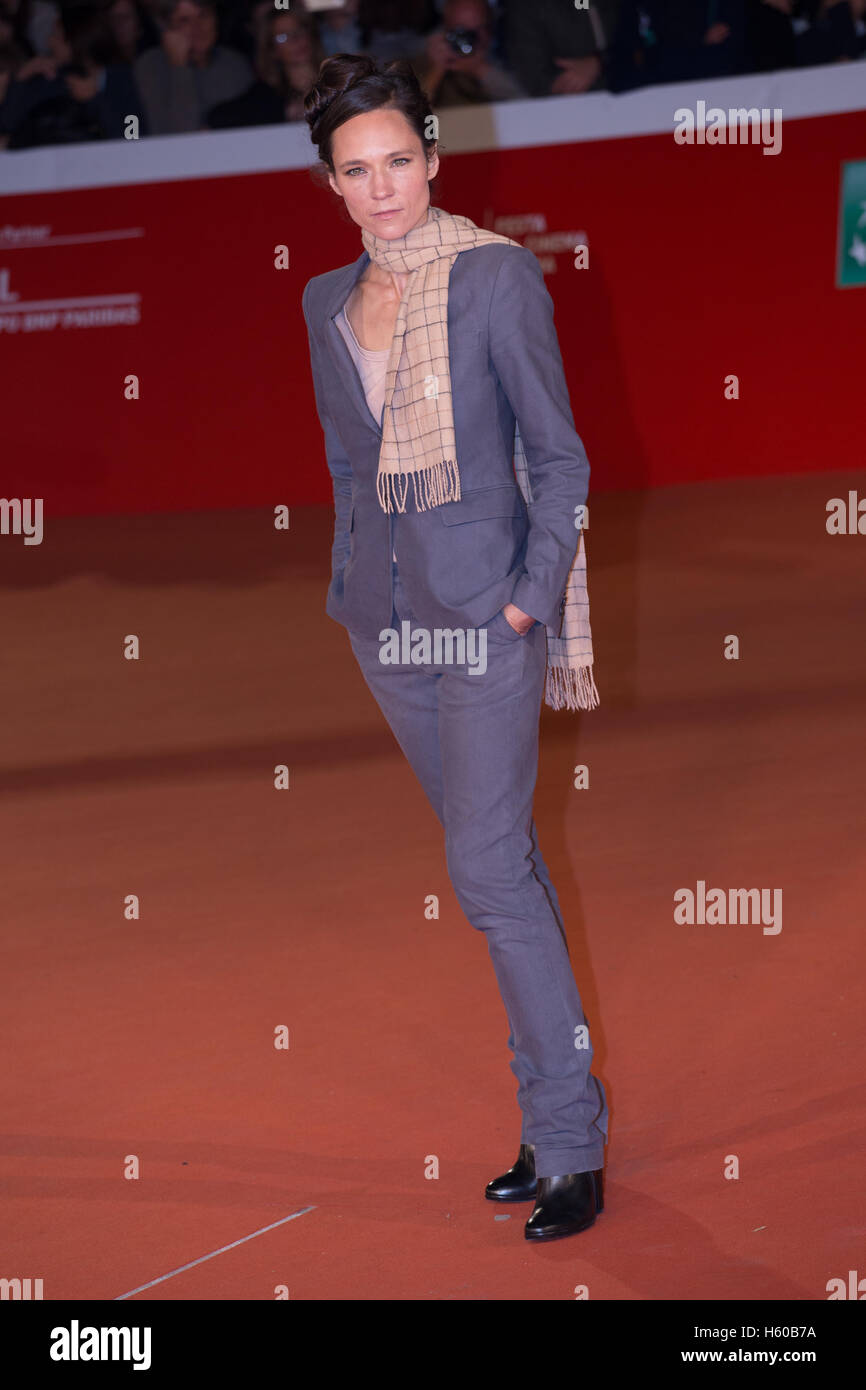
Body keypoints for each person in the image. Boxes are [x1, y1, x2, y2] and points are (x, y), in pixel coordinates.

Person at [301, 52, 608, 1243]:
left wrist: (527, 600)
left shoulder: (493, 279)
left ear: (432, 158)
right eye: (354, 172)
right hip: (389, 629)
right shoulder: (325, 299)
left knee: (483, 872)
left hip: (485, 618)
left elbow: (562, 454)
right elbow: (344, 464)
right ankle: (554, 1113)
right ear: (328, 185)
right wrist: (352, 591)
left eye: (397, 164)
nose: (382, 191)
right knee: (506, 870)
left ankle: (570, 1140)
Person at [132, 0, 253, 135]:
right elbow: (178, 134)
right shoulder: (151, 65)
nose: (197, 27)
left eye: (203, 16)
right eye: (184, 20)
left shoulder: (235, 64)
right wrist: (179, 67)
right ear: (168, 30)